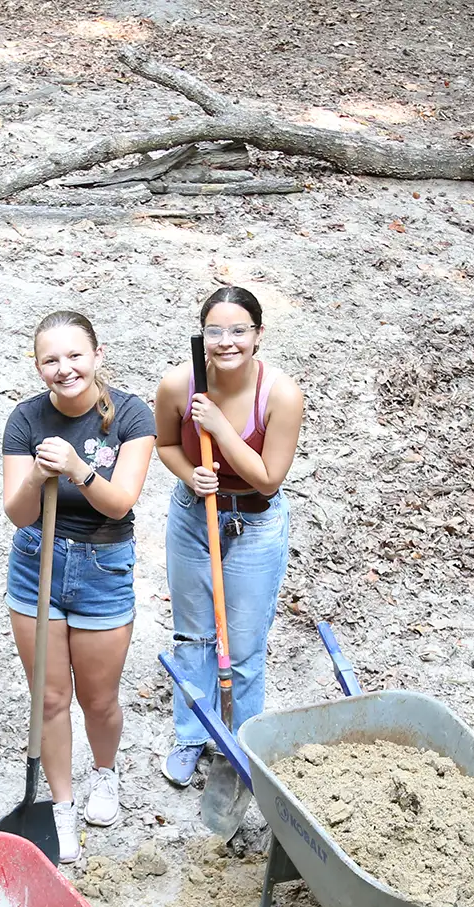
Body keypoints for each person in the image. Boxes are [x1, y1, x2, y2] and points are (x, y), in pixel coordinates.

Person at [0, 312, 156, 862]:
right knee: (48, 698)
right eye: (50, 360)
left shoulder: (132, 416)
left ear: (97, 355)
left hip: (103, 566)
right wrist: (37, 477)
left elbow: (121, 502)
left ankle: (105, 774)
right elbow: (18, 514)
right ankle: (61, 807)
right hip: (36, 562)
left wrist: (76, 469)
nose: (63, 369)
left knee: (99, 698)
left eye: (74, 356)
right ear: (37, 365)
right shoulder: (25, 418)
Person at [153, 286, 306, 785]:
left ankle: (242, 745)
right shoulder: (179, 387)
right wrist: (187, 474)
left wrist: (219, 428)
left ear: (258, 335)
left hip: (255, 522)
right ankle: (191, 735)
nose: (226, 342)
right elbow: (167, 445)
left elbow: (267, 477)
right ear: (203, 336)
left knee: (242, 646)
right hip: (195, 518)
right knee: (193, 635)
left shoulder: (281, 395)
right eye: (215, 331)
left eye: (239, 330)